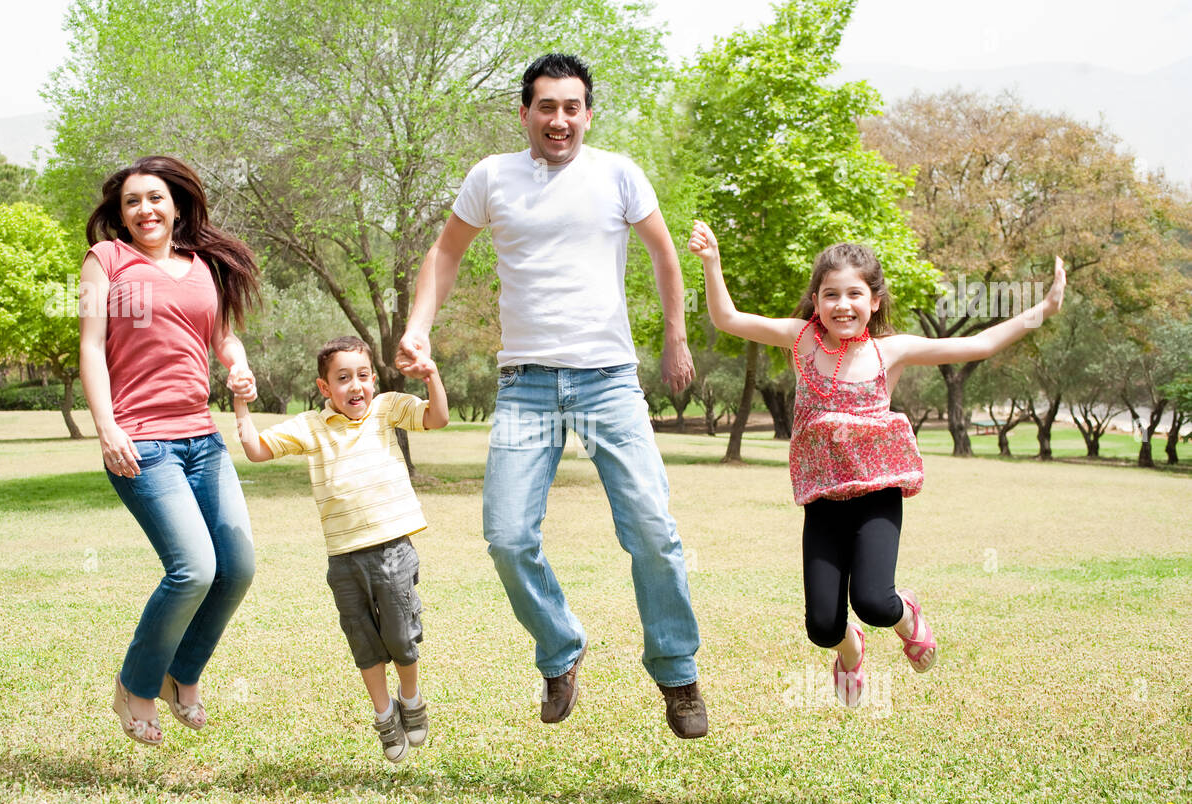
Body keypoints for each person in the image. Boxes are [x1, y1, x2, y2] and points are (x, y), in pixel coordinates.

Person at [397, 53, 707, 738]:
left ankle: (677, 671)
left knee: (653, 531)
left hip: (608, 381)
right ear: (525, 113)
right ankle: (561, 647)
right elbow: (446, 253)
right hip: (525, 385)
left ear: (588, 113)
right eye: (546, 107)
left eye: (572, 107)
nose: (559, 120)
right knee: (507, 537)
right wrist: (419, 326)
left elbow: (662, 253)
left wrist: (676, 338)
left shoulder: (619, 173)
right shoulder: (491, 177)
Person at [688, 220, 1066, 706]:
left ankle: (908, 616)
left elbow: (979, 345)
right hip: (823, 498)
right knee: (823, 626)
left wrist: (1044, 308)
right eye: (830, 295)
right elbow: (728, 319)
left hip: (877, 493)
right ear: (816, 300)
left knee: (873, 601)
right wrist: (712, 262)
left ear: (874, 300)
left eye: (854, 294)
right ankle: (851, 649)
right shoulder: (800, 340)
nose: (842, 305)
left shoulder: (892, 351)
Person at [80, 155, 261, 744]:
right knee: (193, 569)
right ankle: (135, 685)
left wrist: (238, 365)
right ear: (121, 213)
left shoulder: (203, 266)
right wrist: (106, 428)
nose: (144, 210)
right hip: (141, 440)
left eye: (155, 198)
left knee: (236, 569)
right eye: (132, 201)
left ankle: (181, 673)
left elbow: (220, 338)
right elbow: (90, 346)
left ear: (176, 204)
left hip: (202, 439)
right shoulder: (106, 261)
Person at [232, 336, 450, 762]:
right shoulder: (311, 427)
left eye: (363, 376)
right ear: (324, 387)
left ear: (373, 379)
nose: (356, 386)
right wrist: (240, 404)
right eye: (343, 378)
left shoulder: (387, 408)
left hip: (392, 548)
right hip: (344, 556)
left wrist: (432, 376)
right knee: (364, 641)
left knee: (402, 636)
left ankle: (411, 698)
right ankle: (384, 713)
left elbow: (437, 418)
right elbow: (256, 451)